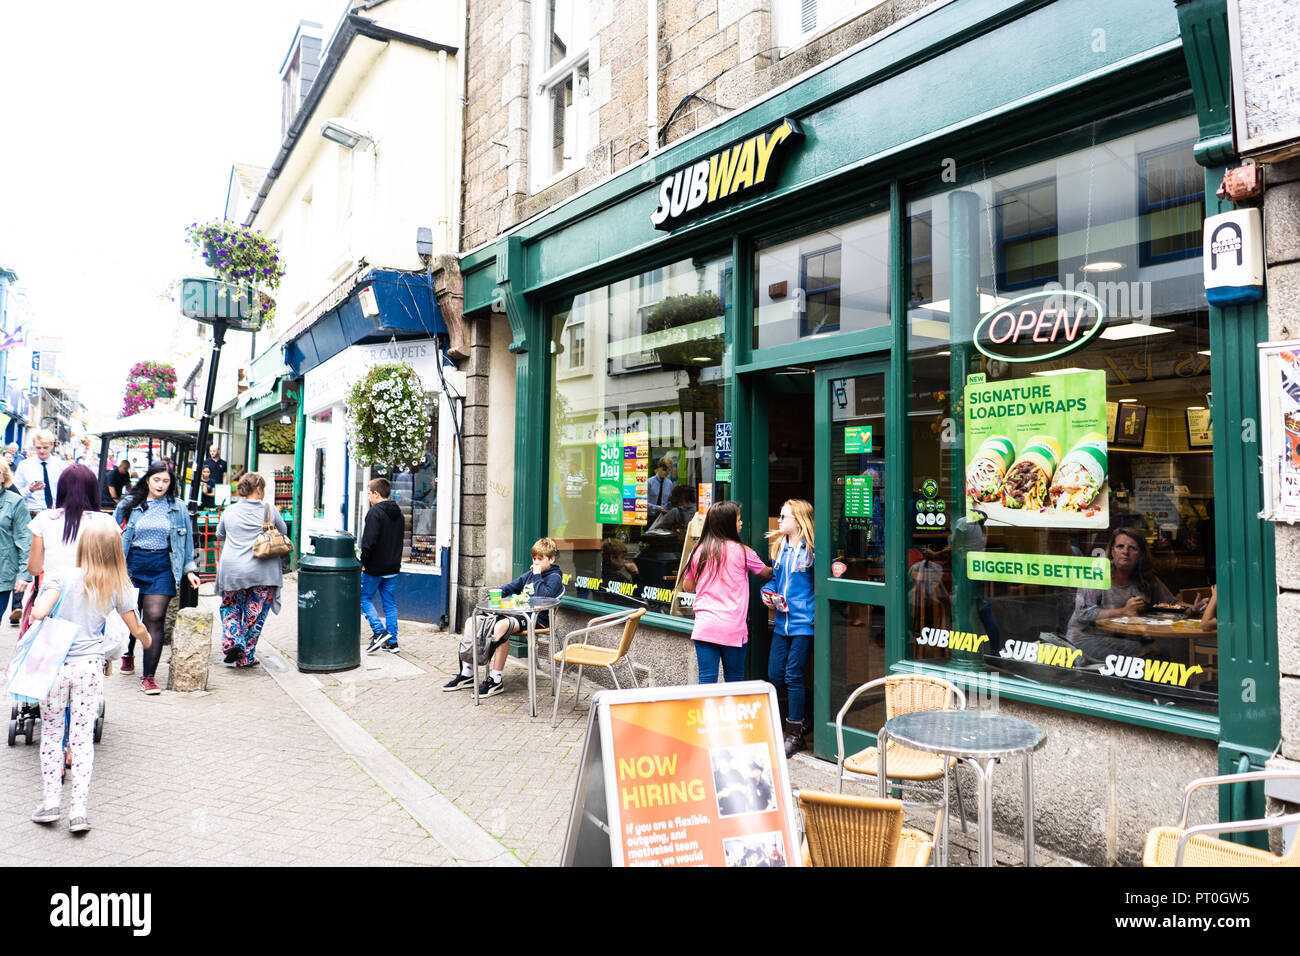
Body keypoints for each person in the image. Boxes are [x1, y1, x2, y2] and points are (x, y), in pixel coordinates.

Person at [28, 522, 150, 834]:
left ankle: (50, 802)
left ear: (83, 546)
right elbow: (136, 630)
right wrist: (147, 640)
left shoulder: (60, 575)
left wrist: (47, 605)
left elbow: (38, 613)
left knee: (53, 734)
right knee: (81, 738)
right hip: (89, 668)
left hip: (55, 664)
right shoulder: (116, 584)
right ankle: (78, 810)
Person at [114, 460, 201, 694]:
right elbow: (112, 536)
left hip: (163, 565)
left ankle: (149, 676)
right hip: (131, 565)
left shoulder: (178, 507)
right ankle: (128, 652)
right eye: (156, 480)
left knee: (154, 616)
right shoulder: (129, 505)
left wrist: (189, 570)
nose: (160, 485)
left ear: (171, 483)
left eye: (165, 481)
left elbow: (187, 542)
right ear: (147, 480)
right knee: (130, 613)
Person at [444, 537, 564, 696]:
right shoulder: (529, 575)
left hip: (537, 619)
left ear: (551, 558)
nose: (536, 562)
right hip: (518, 614)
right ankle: (467, 673)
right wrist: (496, 595)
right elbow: (510, 587)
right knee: (472, 621)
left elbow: (544, 597)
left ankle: (496, 679)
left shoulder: (554, 577)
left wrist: (537, 575)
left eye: (540, 559)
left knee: (501, 626)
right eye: (534, 559)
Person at [1065, 527, 1200, 661]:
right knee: (1144, 653)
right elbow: (1083, 613)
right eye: (1120, 546)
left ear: (1141, 555)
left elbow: (1171, 603)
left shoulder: (1145, 578)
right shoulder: (1097, 574)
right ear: (1112, 552)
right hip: (1085, 639)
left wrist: (1191, 609)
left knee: (1164, 651)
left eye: (1132, 548)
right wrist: (1124, 611)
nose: (1125, 552)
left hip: (1123, 637)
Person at [679, 501, 772, 684]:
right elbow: (765, 573)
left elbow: (688, 587)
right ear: (728, 524)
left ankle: (708, 713)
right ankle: (731, 713)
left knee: (706, 680)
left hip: (705, 626)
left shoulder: (698, 551)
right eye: (738, 520)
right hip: (732, 627)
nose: (741, 523)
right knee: (734, 681)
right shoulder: (743, 552)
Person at [215, 472, 287, 668]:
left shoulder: (229, 511)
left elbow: (220, 534)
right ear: (258, 489)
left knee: (231, 607)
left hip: (233, 570)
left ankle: (233, 639)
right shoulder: (269, 509)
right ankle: (245, 656)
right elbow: (283, 532)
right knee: (254, 616)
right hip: (262, 571)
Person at [761, 499, 815, 756]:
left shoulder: (811, 551)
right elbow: (774, 580)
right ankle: (806, 712)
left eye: (784, 517)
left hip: (804, 623)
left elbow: (821, 586)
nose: (780, 521)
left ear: (798, 520)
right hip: (782, 623)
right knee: (775, 673)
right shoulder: (780, 548)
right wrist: (767, 593)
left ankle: (794, 733)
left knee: (793, 673)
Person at [360, 477, 405, 655]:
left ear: (377, 494)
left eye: (369, 493)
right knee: (389, 604)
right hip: (393, 566)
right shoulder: (399, 513)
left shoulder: (375, 513)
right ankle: (392, 642)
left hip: (375, 567)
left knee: (363, 598)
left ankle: (380, 632)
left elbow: (368, 541)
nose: (369, 496)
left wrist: (363, 561)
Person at [0, 460, 32, 623]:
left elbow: (25, 540)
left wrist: (23, 575)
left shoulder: (15, 502)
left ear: (3, 477)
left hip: (3, 573)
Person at [14, 429, 66, 518]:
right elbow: (15, 494)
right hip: (31, 514)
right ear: (34, 446)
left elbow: (68, 491)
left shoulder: (61, 466)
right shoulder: (24, 465)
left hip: (55, 514)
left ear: (52, 445)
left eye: (45, 447)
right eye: (38, 447)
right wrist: (29, 490)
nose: (42, 451)